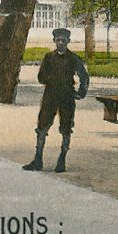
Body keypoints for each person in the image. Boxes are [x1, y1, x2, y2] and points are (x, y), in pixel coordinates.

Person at [23, 27, 89, 174]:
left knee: (66, 128)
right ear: (54, 41)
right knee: (42, 127)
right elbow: (41, 77)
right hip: (50, 96)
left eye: (63, 40)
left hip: (67, 97)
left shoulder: (73, 58)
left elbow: (84, 76)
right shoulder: (48, 57)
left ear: (68, 41)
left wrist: (81, 93)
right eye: (58, 40)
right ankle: (37, 159)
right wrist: (55, 81)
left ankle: (62, 160)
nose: (60, 43)